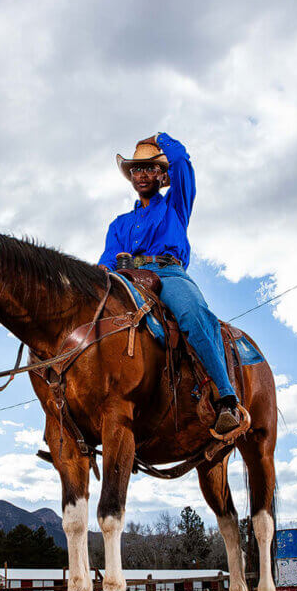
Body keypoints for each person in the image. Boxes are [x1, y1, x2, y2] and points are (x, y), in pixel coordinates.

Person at [98, 133, 241, 435]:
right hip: (126, 278)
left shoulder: (176, 206)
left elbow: (180, 160)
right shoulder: (119, 223)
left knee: (192, 315)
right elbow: (108, 258)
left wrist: (160, 137)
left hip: (168, 275)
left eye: (150, 168)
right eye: (137, 169)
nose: (143, 175)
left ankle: (225, 397)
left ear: (162, 175)